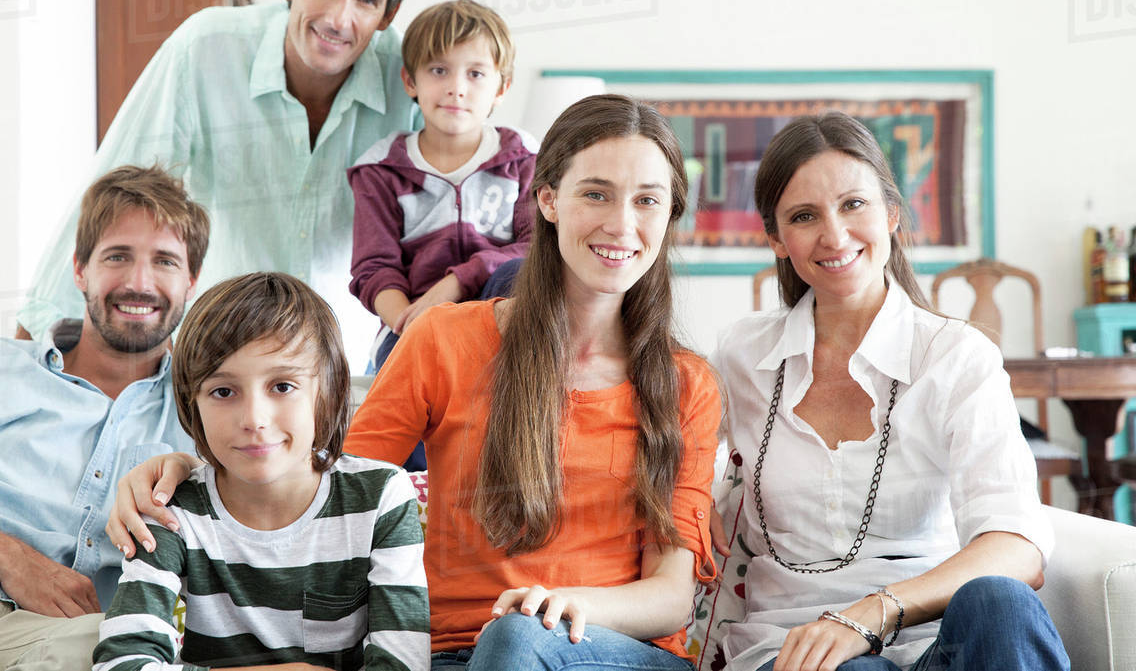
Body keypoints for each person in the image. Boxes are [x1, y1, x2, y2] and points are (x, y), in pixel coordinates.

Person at [106, 94, 722, 671]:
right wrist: (192, 471)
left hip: (609, 650)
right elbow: (330, 485)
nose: (621, 223)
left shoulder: (686, 385)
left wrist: (558, 605)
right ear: (549, 200)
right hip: (452, 652)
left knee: (518, 639)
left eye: (647, 200)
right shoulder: (444, 340)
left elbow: (670, 597)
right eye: (596, 193)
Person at [709, 112, 1068, 671]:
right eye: (804, 216)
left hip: (930, 644)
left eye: (853, 204)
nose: (835, 236)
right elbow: (669, 464)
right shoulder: (741, 355)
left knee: (1000, 602)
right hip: (791, 651)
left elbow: (1018, 546)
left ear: (892, 213)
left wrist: (873, 613)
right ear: (776, 239)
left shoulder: (956, 356)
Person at [16, 0, 420, 346]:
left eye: (366, 0)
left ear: (388, 14)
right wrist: (34, 333)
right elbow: (116, 186)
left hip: (350, 362)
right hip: (216, 354)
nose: (338, 19)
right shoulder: (206, 48)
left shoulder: (414, 79)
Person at [0, 165, 208, 671]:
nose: (139, 282)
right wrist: (7, 555)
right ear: (80, 270)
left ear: (191, 280)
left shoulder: (207, 420)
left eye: (165, 261)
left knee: (109, 651)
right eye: (118, 256)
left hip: (60, 633)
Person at [92, 272, 428, 671]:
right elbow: (121, 664)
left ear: (328, 391)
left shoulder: (381, 496)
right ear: (191, 402)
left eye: (282, 386)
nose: (254, 419)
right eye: (223, 391)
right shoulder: (171, 510)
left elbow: (402, 665)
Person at [347, 0, 535, 373]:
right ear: (410, 81)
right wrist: (413, 325)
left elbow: (536, 247)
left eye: (476, 74)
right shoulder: (381, 169)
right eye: (438, 70)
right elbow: (374, 268)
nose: (456, 88)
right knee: (406, 389)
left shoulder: (523, 158)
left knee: (517, 272)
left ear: (502, 87)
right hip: (411, 326)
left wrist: (457, 283)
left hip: (500, 327)